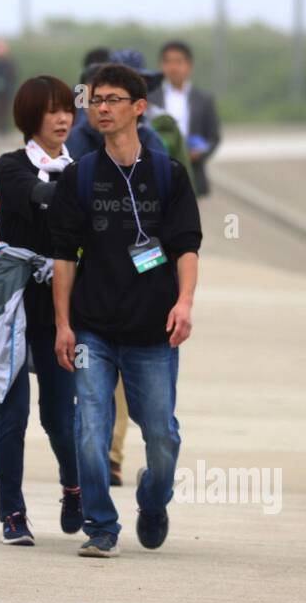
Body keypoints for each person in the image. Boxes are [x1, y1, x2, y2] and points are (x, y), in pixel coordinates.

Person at [50, 63, 202, 557]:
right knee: (90, 425)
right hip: (94, 328)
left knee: (161, 435)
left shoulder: (168, 174)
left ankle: (154, 500)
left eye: (113, 99)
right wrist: (63, 325)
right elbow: (64, 258)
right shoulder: (81, 175)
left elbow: (185, 247)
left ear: (139, 107)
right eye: (95, 100)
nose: (102, 108)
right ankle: (101, 525)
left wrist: (184, 302)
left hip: (153, 330)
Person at [0, 76, 84, 544]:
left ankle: (74, 486)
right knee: (12, 410)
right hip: (12, 300)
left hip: (60, 303)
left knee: (59, 415)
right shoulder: (11, 166)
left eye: (67, 110)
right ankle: (13, 512)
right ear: (29, 117)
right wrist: (91, 197)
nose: (62, 118)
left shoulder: (82, 169)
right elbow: (42, 199)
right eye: (51, 110)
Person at [147, 40, 219, 196]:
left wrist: (200, 153)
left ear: (189, 65)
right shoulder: (150, 98)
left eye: (179, 62)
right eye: (168, 62)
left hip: (192, 173)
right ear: (161, 65)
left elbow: (213, 137)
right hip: (158, 171)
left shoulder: (204, 99)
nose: (173, 68)